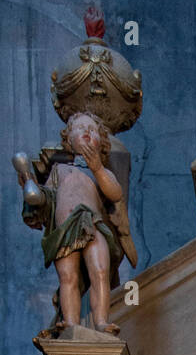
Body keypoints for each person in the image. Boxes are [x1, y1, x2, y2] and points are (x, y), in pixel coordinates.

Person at [19, 110, 136, 334]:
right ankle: (71, 323)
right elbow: (47, 198)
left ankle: (101, 321)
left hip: (93, 224)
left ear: (101, 143)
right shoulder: (59, 169)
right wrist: (30, 186)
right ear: (68, 140)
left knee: (100, 270)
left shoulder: (101, 172)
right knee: (68, 276)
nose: (86, 132)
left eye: (92, 130)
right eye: (80, 129)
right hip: (65, 227)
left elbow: (115, 193)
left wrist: (98, 168)